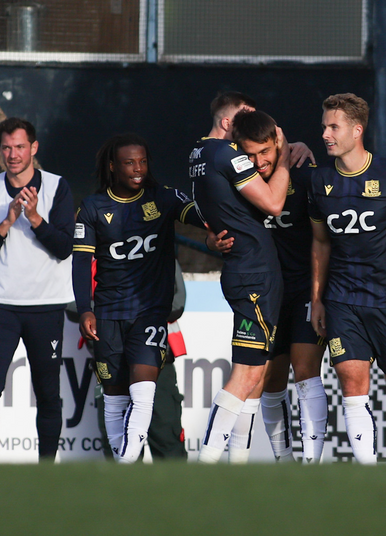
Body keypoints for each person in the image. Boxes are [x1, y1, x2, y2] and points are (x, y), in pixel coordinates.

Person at [308, 93, 386, 464]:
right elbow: (319, 242)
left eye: (334, 127)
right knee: (351, 384)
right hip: (343, 301)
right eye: (324, 127)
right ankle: (368, 474)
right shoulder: (320, 180)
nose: (326, 134)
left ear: (357, 130)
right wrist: (317, 298)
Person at [73, 133, 209, 463]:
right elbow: (80, 265)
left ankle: (128, 458)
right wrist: (84, 310)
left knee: (144, 389)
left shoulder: (163, 199)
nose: (138, 169)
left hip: (150, 311)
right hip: (108, 314)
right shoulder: (93, 207)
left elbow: (201, 214)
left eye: (143, 161)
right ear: (112, 166)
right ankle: (125, 466)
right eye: (129, 163)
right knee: (116, 398)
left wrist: (217, 227)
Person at [189, 96, 293, 464]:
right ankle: (208, 460)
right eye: (246, 118)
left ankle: (237, 465)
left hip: (246, 271)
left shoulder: (198, 155)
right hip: (254, 275)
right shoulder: (224, 154)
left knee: (256, 373)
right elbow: (273, 203)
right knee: (248, 375)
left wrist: (211, 235)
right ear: (229, 121)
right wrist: (283, 155)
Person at [0, 117, 74, 461]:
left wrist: (35, 219)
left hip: (46, 306)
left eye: (20, 147)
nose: (13, 154)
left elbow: (64, 247)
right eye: (7, 147)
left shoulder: (58, 187)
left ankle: (46, 469)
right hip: (0, 305)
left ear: (34, 148)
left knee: (48, 393)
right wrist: (8, 222)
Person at [230, 110, 327, 463]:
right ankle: (283, 463)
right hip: (263, 292)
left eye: (265, 153)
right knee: (267, 384)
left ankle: (312, 464)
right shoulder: (236, 180)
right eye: (249, 155)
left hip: (304, 290)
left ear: (278, 144)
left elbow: (324, 239)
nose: (258, 162)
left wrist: (320, 295)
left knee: (305, 372)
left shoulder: (306, 175)